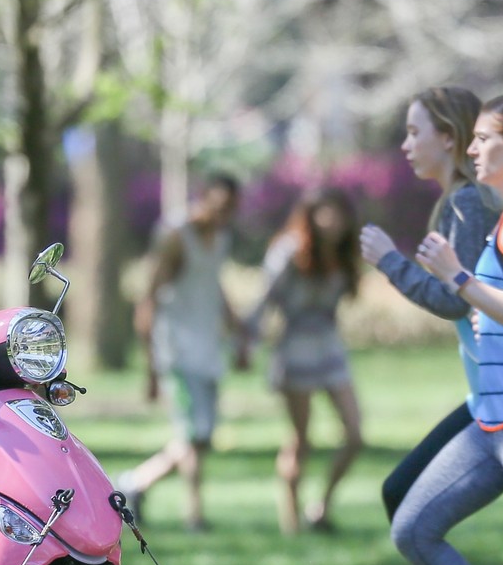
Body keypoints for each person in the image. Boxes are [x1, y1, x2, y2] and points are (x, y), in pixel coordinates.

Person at [360, 86, 503, 565]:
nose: (406, 145)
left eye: (415, 132)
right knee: (413, 520)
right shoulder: (498, 208)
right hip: (496, 407)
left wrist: (412, 266)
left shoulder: (501, 207)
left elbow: (502, 310)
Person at [115, 174, 246, 532]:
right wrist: (151, 367)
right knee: (191, 434)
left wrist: (238, 335)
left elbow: (213, 287)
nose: (223, 215)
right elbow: (150, 300)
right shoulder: (175, 235)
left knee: (202, 436)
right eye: (217, 206)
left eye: (230, 209)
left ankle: (133, 484)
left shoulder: (221, 239)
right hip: (176, 350)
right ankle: (194, 514)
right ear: (202, 198)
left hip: (208, 350)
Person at [246, 188, 362, 535]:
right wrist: (246, 341)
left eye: (339, 214)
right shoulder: (290, 249)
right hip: (295, 349)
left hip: (329, 347)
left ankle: (321, 507)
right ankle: (291, 521)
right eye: (327, 213)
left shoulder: (342, 252)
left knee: (355, 434)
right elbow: (263, 298)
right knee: (300, 439)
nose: (334, 222)